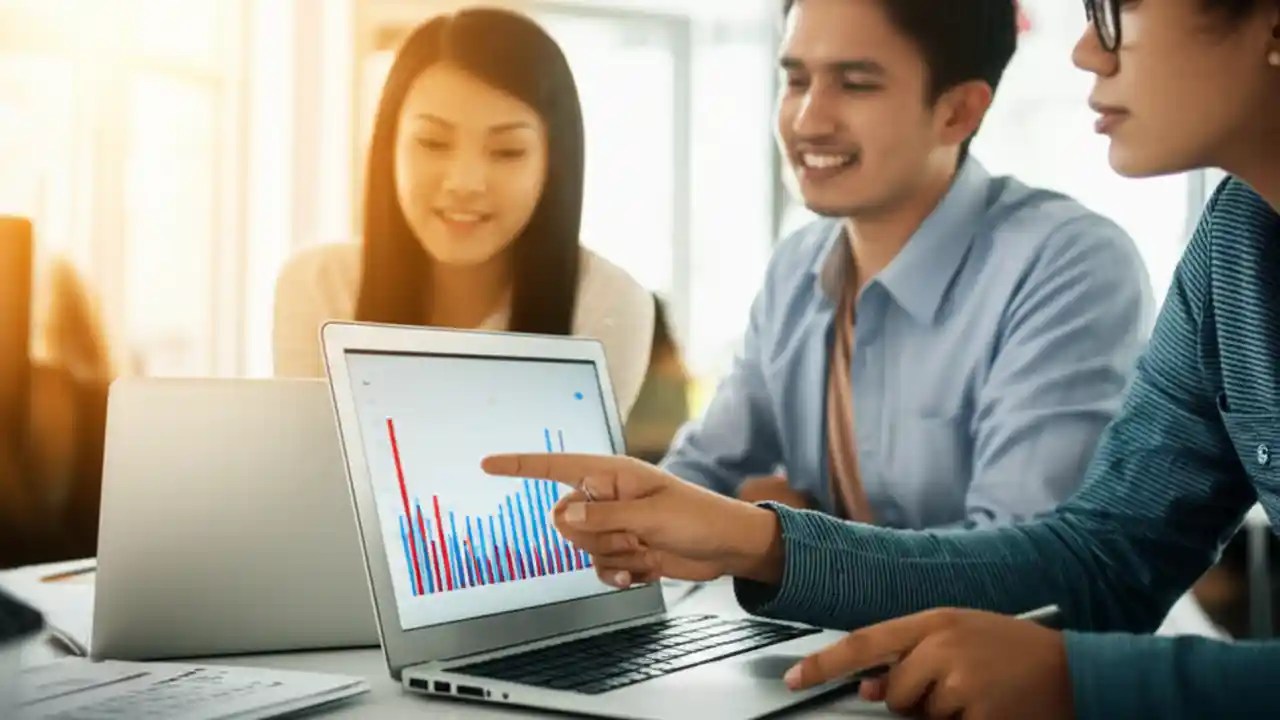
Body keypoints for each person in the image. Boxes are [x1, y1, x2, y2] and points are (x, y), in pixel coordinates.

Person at [482, 0, 1280, 716]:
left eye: (1115, 11)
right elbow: (1101, 559)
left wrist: (1081, 677)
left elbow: (1062, 603)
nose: (1085, 53)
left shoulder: (1067, 259)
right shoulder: (1235, 242)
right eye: (794, 79)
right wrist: (757, 537)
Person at [661, 0, 1152, 529]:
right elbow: (702, 473)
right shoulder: (796, 270)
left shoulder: (1065, 266)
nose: (808, 120)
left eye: (855, 84)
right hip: (842, 616)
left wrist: (784, 542)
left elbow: (1021, 560)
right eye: (798, 81)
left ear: (959, 111)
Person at [273, 8, 654, 417]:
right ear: (389, 147)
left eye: (507, 151)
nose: (465, 182)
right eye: (434, 143)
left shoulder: (606, 302)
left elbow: (578, 479)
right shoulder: (320, 286)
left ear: (553, 163)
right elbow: (309, 469)